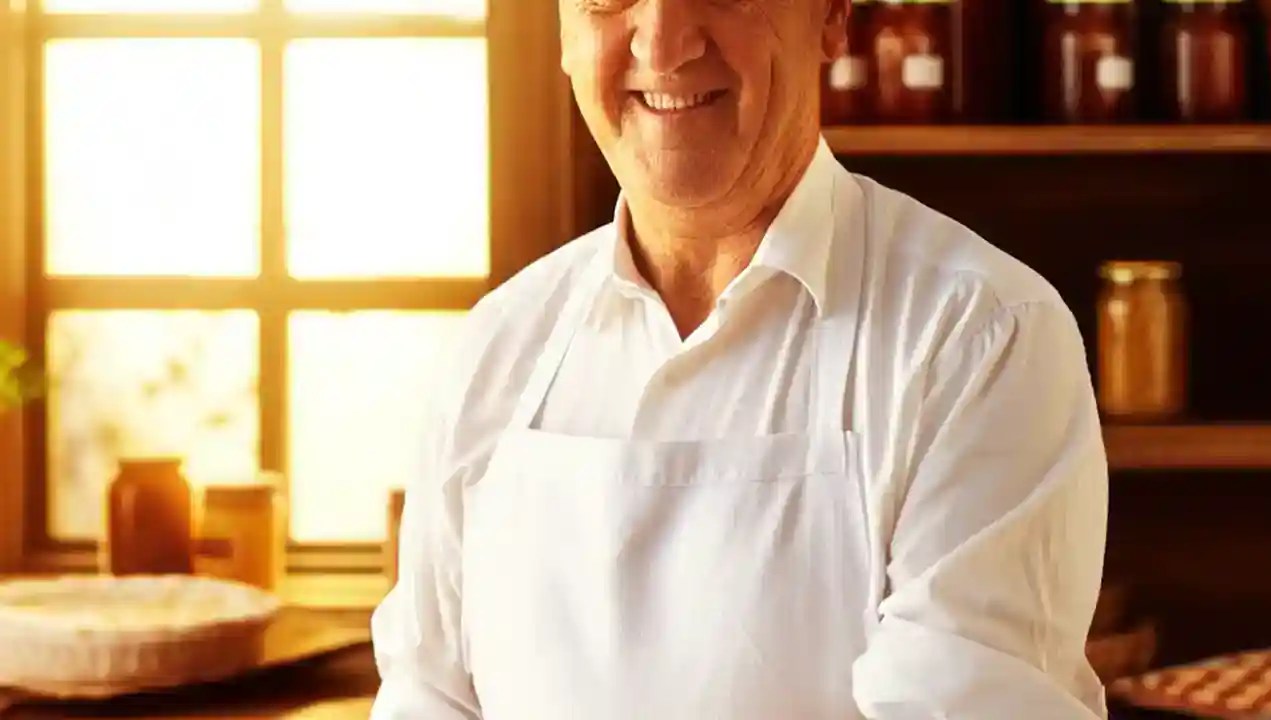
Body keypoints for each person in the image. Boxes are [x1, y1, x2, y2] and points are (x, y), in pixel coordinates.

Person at [369, 0, 1110, 717]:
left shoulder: (978, 338)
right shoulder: (498, 348)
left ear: (831, 16)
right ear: (561, 33)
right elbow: (426, 698)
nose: (663, 44)